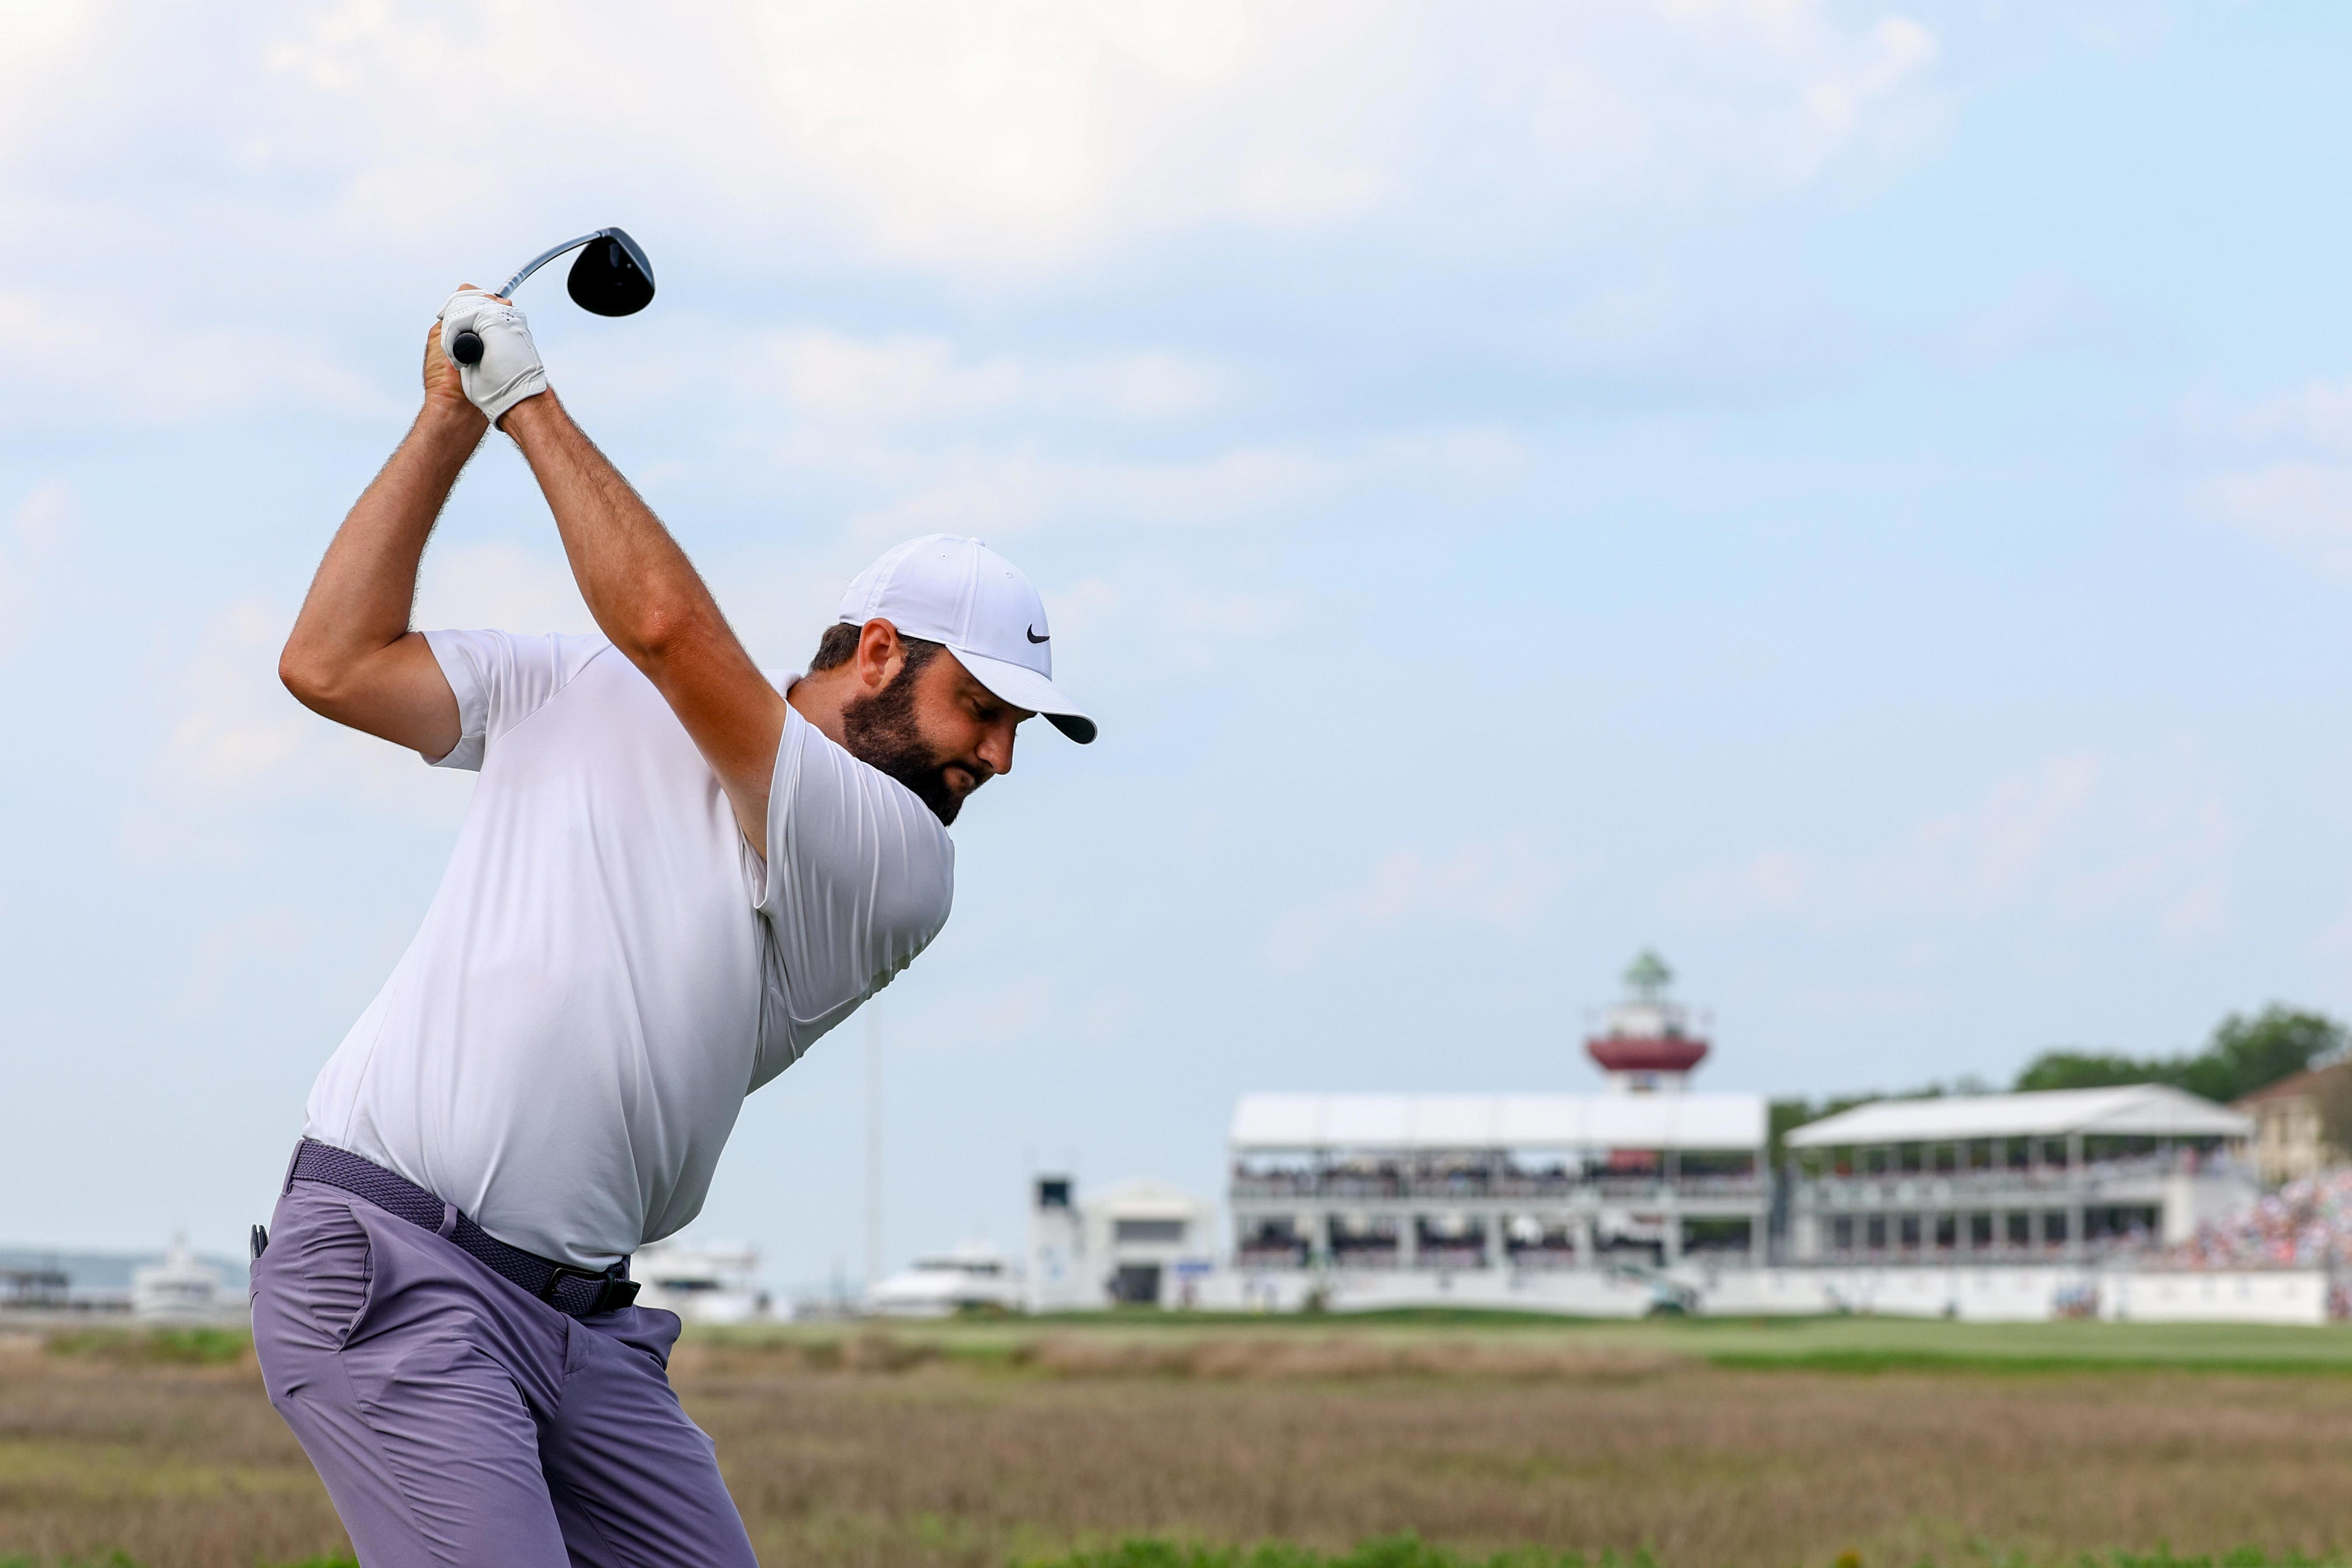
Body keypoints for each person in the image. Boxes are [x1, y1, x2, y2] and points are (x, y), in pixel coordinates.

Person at [248, 285, 1094, 1568]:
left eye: (1019, 728)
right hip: (394, 1259)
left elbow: (664, 629)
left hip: (583, 1328)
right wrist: (447, 422)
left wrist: (522, 399)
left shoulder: (897, 862)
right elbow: (330, 662)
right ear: (876, 652)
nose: (999, 756)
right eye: (981, 707)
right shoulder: (573, 687)